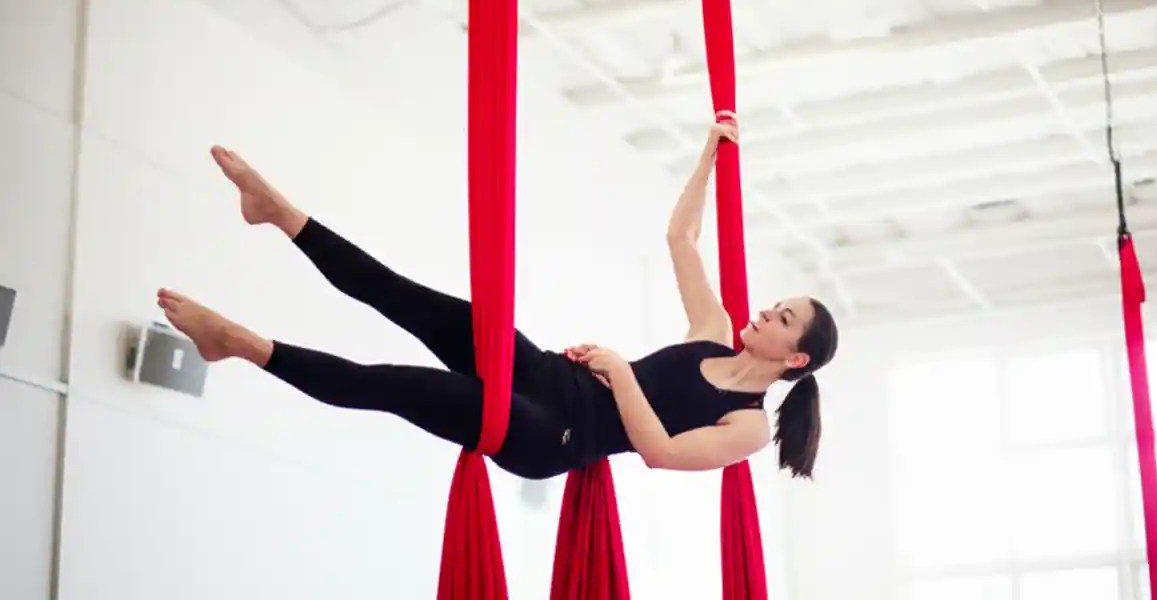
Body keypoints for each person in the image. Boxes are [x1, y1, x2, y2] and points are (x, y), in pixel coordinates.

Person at [158, 119, 838, 480]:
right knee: (410, 300)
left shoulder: (747, 427)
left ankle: (242, 345)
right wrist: (710, 157)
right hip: (546, 372)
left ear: (796, 357)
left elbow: (658, 452)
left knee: (394, 384)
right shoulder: (711, 329)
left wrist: (623, 373)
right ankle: (279, 213)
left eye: (779, 318)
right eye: (772, 303)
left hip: (552, 436)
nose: (761, 313)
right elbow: (681, 237)